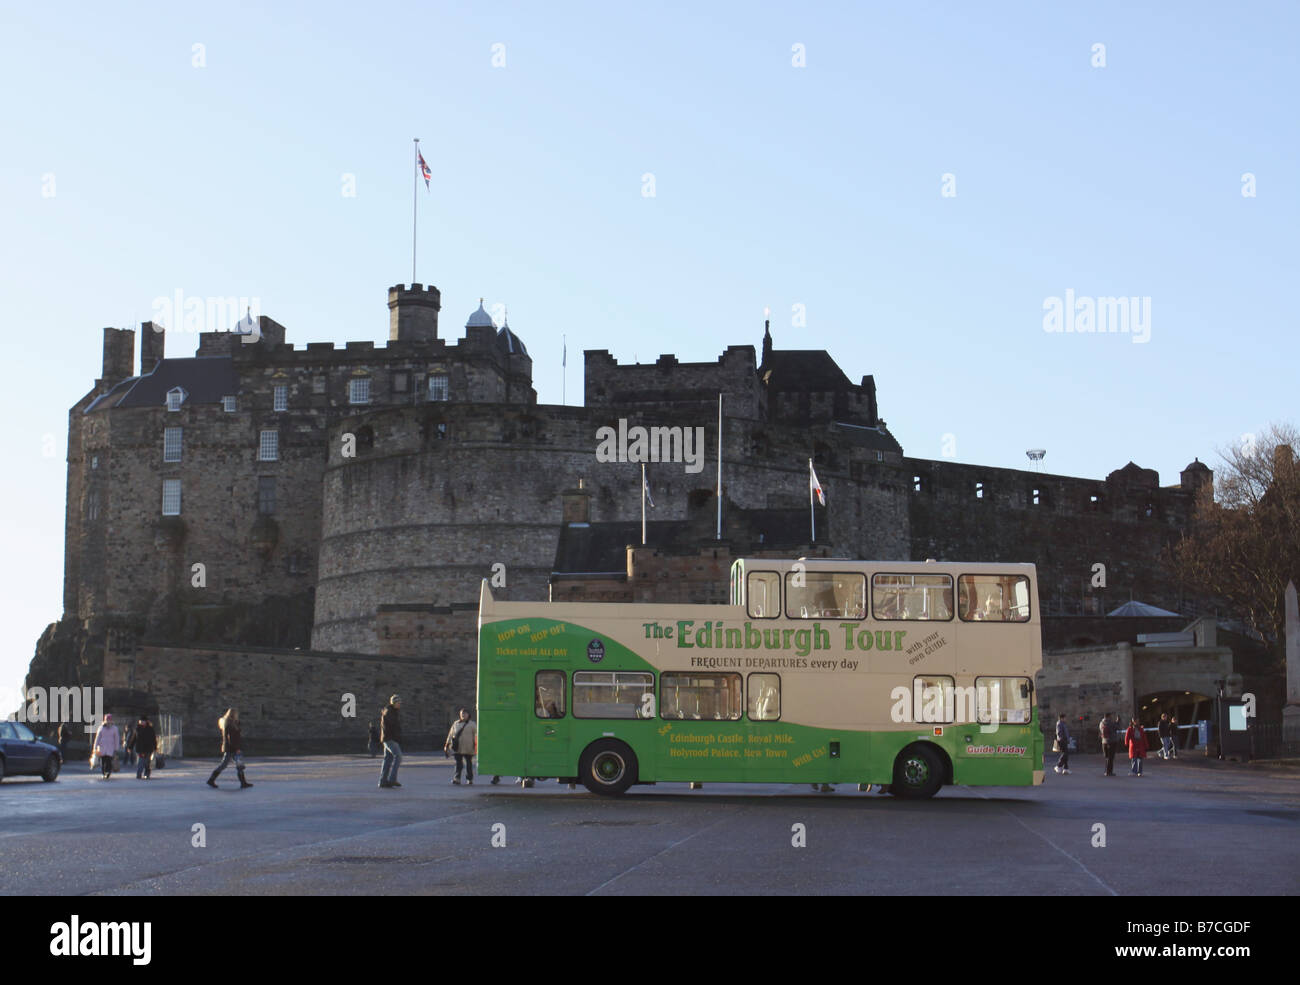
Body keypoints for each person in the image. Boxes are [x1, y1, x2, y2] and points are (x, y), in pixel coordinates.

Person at [206, 708, 253, 789]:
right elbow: (231, 738)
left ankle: (243, 782)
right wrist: (237, 748)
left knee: (238, 765)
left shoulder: (230, 723)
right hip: (232, 748)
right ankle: (211, 780)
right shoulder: (230, 724)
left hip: (231, 747)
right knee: (226, 765)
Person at [444, 708, 477, 785]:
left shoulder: (472, 724)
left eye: (465, 713)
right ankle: (457, 778)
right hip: (457, 747)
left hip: (469, 747)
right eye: (462, 713)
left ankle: (469, 779)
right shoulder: (456, 723)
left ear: (468, 715)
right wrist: (447, 744)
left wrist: (476, 746)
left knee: (469, 764)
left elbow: (477, 735)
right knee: (458, 763)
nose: (463, 715)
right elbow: (451, 734)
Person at [378, 695, 403, 789]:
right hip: (390, 739)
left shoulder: (391, 711)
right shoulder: (390, 712)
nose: (400, 704)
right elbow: (393, 726)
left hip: (387, 738)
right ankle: (392, 779)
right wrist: (397, 737)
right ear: (394, 703)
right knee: (398, 756)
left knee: (388, 759)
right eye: (399, 703)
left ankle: (383, 781)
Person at [92, 713, 120, 780]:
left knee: (108, 761)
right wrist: (95, 747)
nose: (108, 721)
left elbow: (117, 739)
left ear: (111, 720)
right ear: (104, 720)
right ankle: (103, 772)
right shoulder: (101, 728)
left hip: (111, 747)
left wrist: (116, 748)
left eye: (109, 720)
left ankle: (108, 772)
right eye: (107, 720)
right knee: (102, 761)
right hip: (102, 748)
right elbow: (97, 738)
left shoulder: (114, 728)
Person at [134, 715, 157, 779]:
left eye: (143, 721)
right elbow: (134, 738)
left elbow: (153, 739)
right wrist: (130, 747)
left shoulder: (150, 729)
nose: (141, 722)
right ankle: (139, 774)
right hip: (140, 749)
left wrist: (155, 747)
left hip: (148, 748)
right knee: (140, 762)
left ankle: (147, 773)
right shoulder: (137, 728)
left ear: (146, 722)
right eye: (140, 721)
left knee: (147, 762)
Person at [1099, 712, 1117, 776]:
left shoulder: (1101, 723)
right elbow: (1117, 727)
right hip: (1111, 741)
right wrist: (1117, 722)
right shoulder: (1110, 723)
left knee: (1107, 757)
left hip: (1104, 742)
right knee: (1111, 757)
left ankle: (1106, 771)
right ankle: (1109, 772)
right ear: (1109, 716)